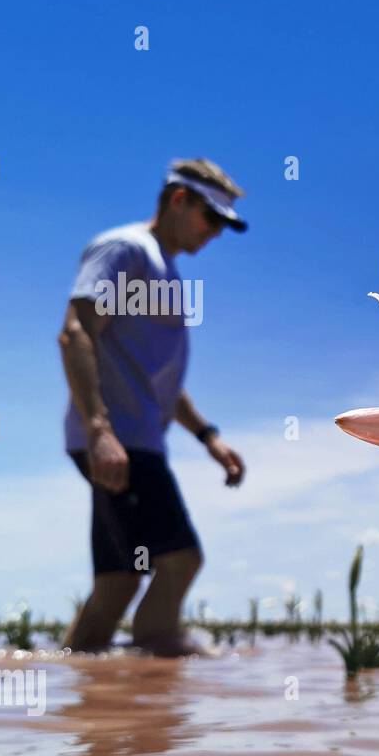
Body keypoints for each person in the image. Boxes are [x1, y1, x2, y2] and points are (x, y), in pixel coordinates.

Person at [57, 158, 248, 656]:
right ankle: (156, 665)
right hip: (122, 443)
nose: (217, 233)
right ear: (179, 200)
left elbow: (159, 383)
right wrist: (100, 431)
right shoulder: (128, 251)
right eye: (213, 219)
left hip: (133, 439)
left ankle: (78, 677)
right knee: (180, 560)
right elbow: (76, 332)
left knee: (120, 579)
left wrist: (209, 437)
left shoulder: (164, 272)